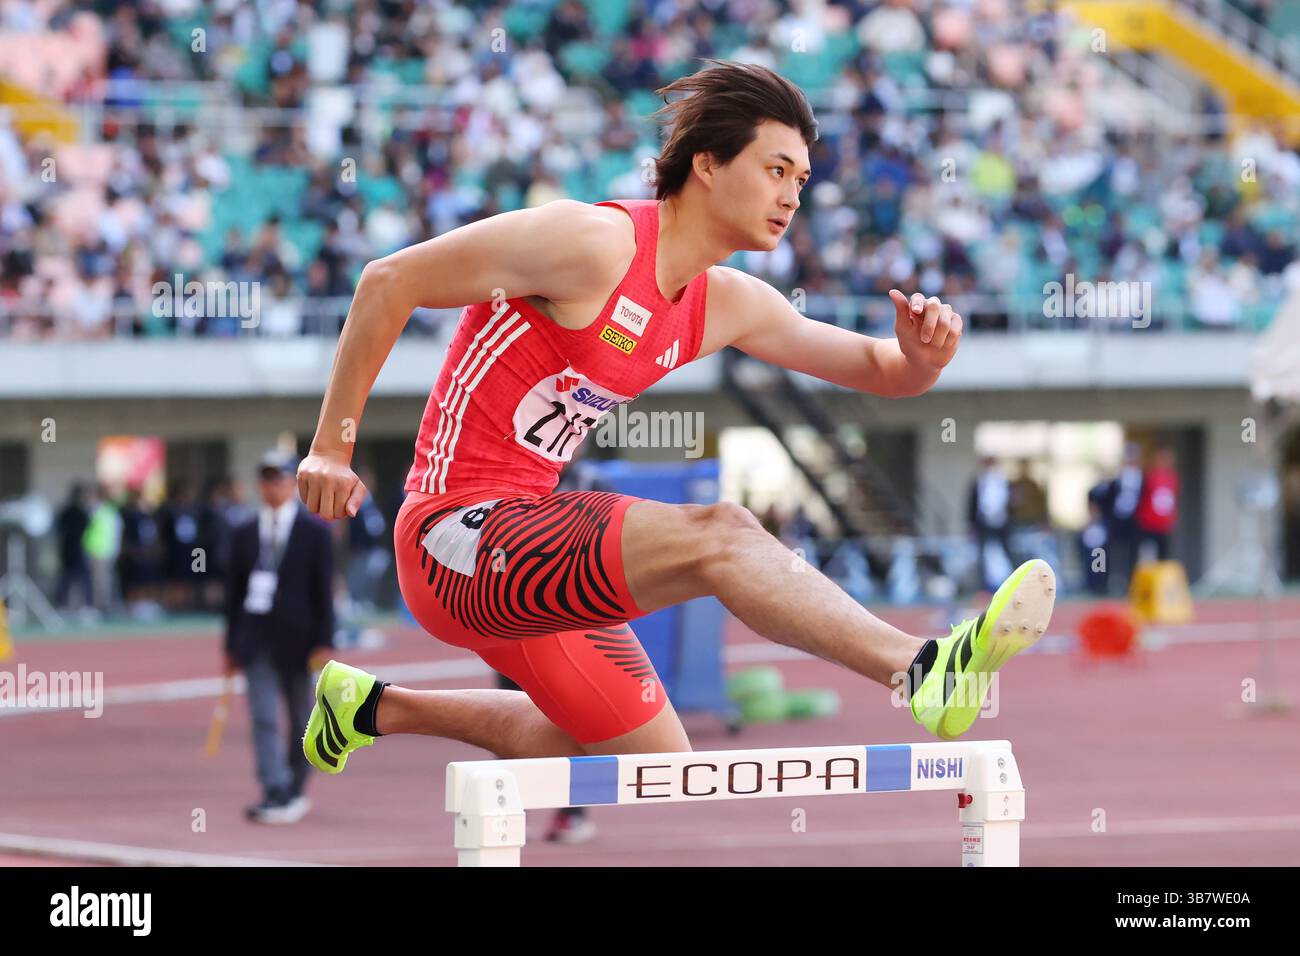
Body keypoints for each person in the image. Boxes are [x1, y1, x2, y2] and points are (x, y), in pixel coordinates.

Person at [294, 60, 1057, 779]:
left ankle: (370, 708)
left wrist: (925, 356)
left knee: (651, 764)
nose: (792, 195)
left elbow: (885, 374)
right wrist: (333, 447)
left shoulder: (726, 302)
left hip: (529, 545)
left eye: (802, 179)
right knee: (721, 534)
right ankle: (922, 669)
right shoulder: (591, 244)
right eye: (775, 170)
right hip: (452, 535)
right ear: (708, 165)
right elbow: (387, 280)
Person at [224, 450, 335, 824]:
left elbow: (324, 591)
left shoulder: (315, 533)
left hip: (300, 641)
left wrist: (324, 640)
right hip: (256, 640)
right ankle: (274, 787)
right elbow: (233, 594)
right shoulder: (242, 533)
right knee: (263, 716)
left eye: (281, 478)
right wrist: (230, 645)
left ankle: (295, 785)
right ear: (260, 485)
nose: (274, 486)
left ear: (293, 484)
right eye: (267, 479)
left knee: (302, 716)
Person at [968, 457, 1013, 591]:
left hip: (1001, 524)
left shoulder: (1003, 482)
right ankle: (983, 586)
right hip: (983, 524)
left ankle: (1011, 584)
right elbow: (972, 504)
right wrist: (971, 525)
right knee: (982, 555)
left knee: (1007, 553)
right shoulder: (979, 482)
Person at [1136, 447, 1179, 563]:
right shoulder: (1148, 478)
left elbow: (1170, 503)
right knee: (1147, 557)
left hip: (1163, 526)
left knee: (1163, 557)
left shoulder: (1172, 478)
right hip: (1148, 525)